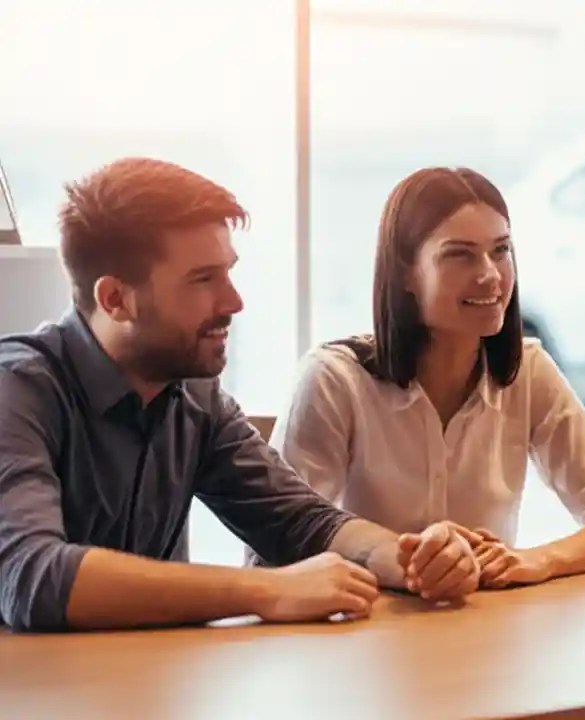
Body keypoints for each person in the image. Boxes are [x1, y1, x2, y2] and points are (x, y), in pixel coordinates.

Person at [0, 158, 480, 633]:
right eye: (203, 279)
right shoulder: (19, 389)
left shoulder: (194, 395)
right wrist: (267, 591)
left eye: (228, 272)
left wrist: (410, 559)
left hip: (141, 691)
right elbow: (35, 579)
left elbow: (300, 522)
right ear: (115, 300)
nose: (234, 302)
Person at [270, 167, 585, 589]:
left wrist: (539, 560)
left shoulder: (528, 370)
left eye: (500, 251)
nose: (489, 275)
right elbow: (279, 545)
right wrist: (409, 565)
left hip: (481, 629)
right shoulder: (335, 380)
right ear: (406, 273)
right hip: (363, 630)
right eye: (460, 255)